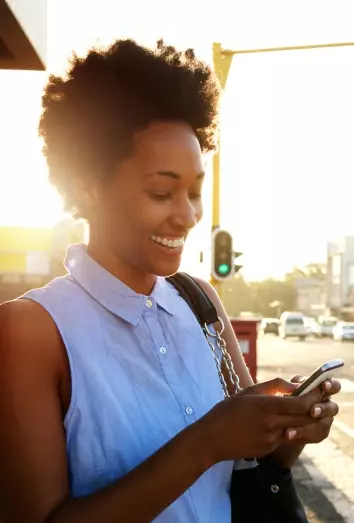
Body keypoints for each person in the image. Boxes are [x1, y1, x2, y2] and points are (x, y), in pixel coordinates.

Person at [0, 39, 340, 523]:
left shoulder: (200, 300)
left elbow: (252, 468)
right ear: (88, 186)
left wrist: (289, 433)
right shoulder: (31, 331)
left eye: (195, 191)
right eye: (162, 192)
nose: (187, 216)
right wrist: (204, 443)